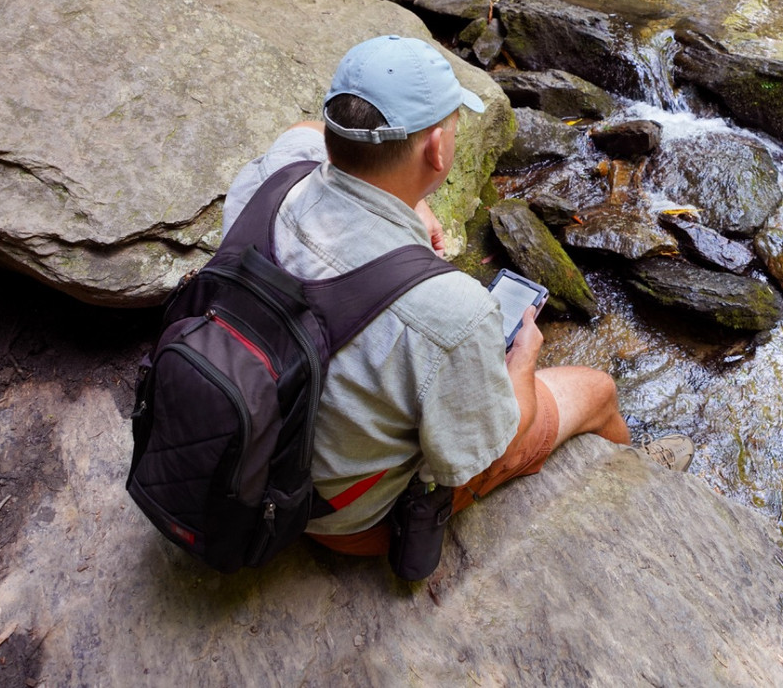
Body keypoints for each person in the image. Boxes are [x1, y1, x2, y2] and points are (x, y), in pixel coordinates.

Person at [222, 35, 694, 556]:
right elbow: (497, 448)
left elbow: (302, 133)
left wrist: (404, 202)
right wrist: (524, 359)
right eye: (450, 122)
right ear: (438, 149)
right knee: (598, 390)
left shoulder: (273, 175)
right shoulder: (449, 312)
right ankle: (647, 493)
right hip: (338, 520)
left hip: (245, 446)